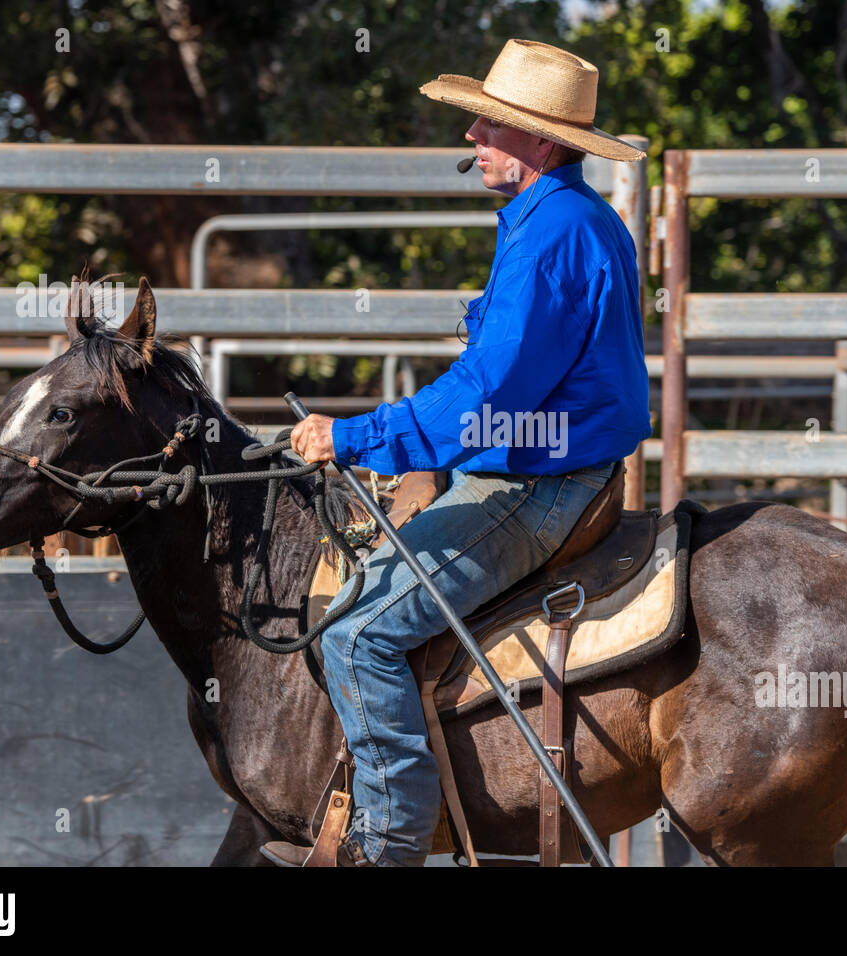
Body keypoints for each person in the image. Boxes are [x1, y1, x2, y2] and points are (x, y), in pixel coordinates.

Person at [262, 38, 650, 867]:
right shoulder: (570, 221)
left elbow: (488, 396)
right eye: (477, 122)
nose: (472, 138)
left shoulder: (551, 237)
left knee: (357, 635)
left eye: (489, 126)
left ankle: (389, 841)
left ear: (540, 143)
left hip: (537, 481)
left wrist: (356, 435)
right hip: (550, 461)